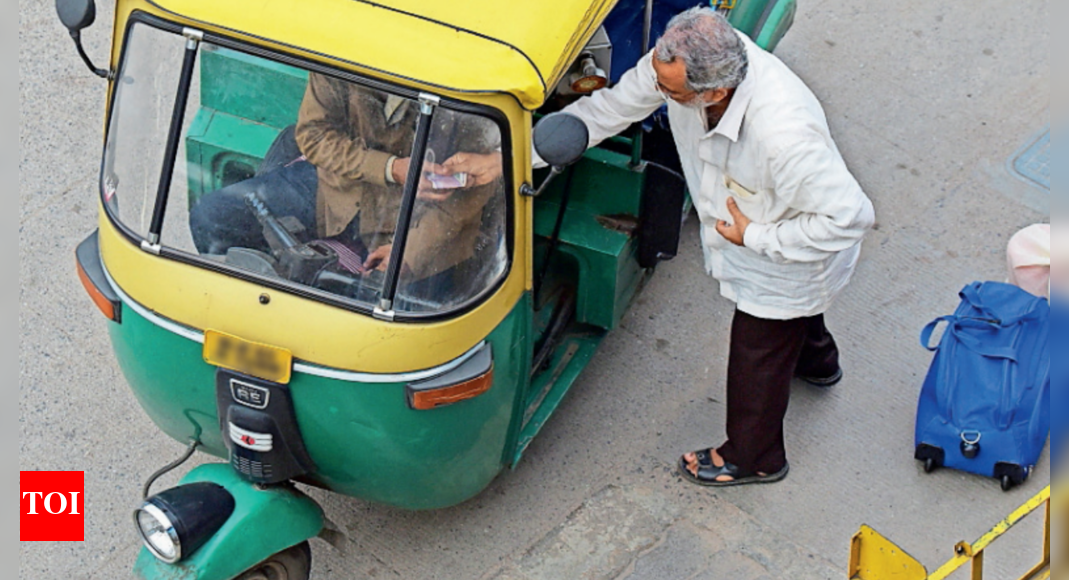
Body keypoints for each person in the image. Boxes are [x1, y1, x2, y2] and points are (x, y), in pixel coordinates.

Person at [540, 7, 875, 486]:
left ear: (714, 92)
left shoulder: (783, 136)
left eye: (670, 91)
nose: (657, 91)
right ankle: (819, 364)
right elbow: (612, 108)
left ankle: (754, 456)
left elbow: (851, 217)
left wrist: (757, 237)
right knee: (796, 328)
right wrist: (521, 154)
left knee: (756, 353)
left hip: (784, 257)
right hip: (757, 241)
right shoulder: (683, 61)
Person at [189, 71, 503, 284]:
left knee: (398, 321)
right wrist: (390, 168)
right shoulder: (346, 35)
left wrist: (410, 251)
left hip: (420, 220)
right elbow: (314, 135)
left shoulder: (468, 72)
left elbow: (475, 188)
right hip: (333, 191)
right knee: (211, 217)